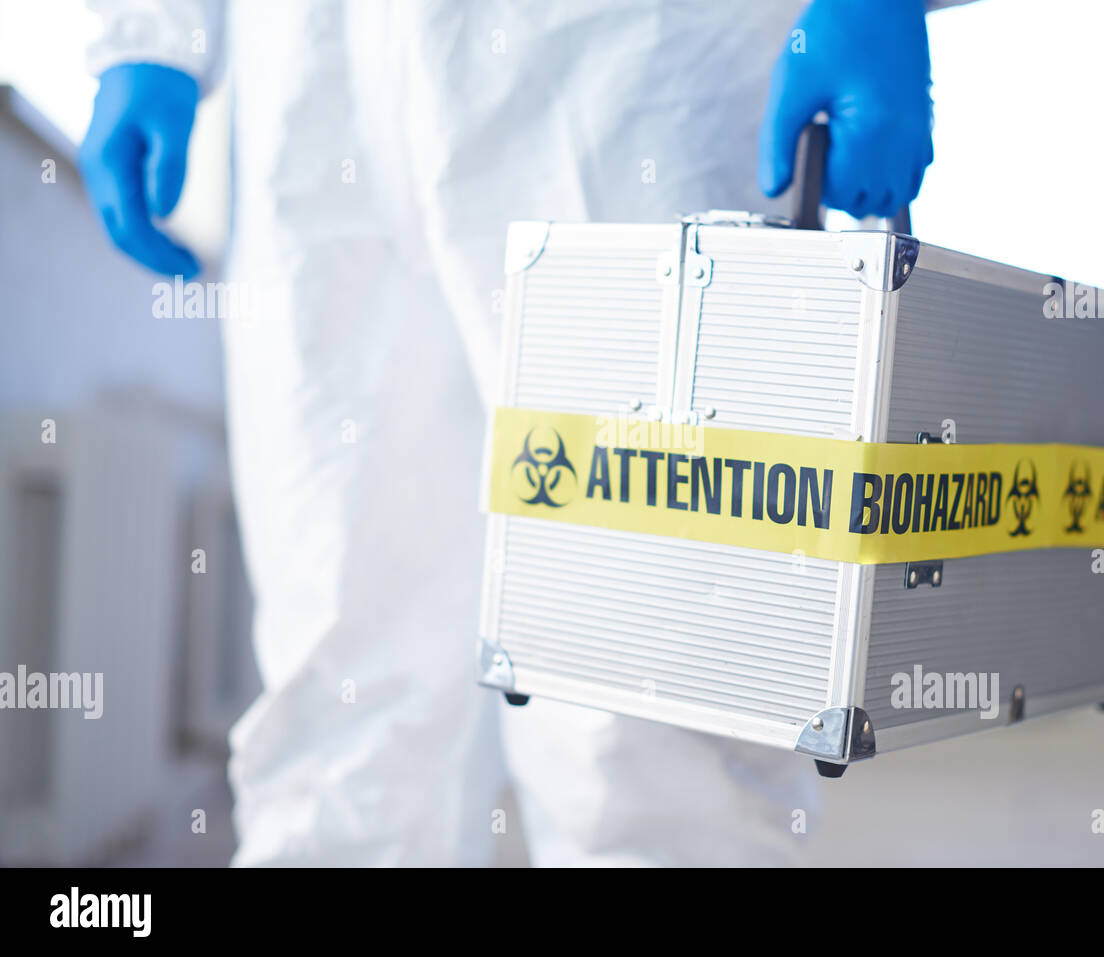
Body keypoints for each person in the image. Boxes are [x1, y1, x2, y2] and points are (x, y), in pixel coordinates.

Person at [78, 0, 956, 866]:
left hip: (637, 58)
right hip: (317, 77)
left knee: (652, 686)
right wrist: (146, 31)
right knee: (341, 650)